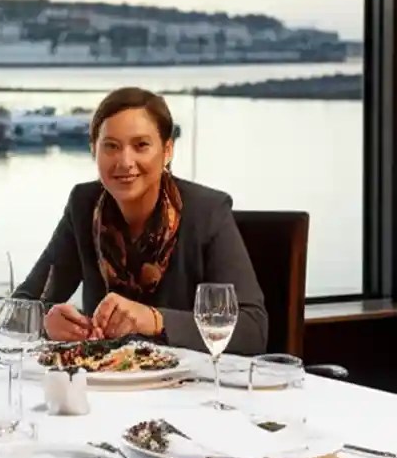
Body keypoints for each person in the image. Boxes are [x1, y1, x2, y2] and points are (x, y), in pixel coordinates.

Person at [13, 86, 268, 356]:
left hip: (186, 388)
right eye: (110, 146)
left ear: (167, 150)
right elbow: (20, 306)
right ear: (93, 150)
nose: (125, 161)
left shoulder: (207, 212)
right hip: (103, 385)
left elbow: (252, 331)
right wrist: (44, 322)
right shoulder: (83, 205)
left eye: (141, 145)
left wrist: (153, 319)